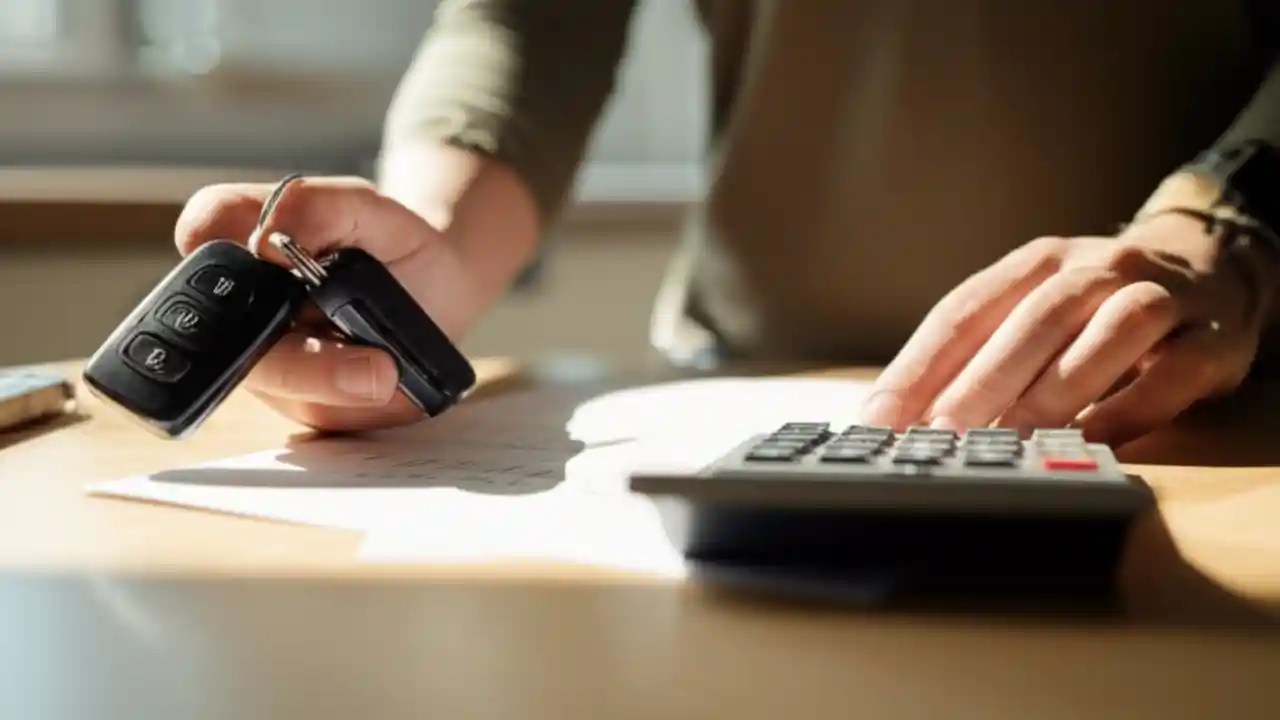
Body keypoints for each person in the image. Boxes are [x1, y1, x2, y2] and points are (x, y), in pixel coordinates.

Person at [174, 1, 1280, 444]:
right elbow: (526, 29)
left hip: (1186, 416)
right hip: (735, 398)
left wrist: (1223, 221)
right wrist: (428, 241)